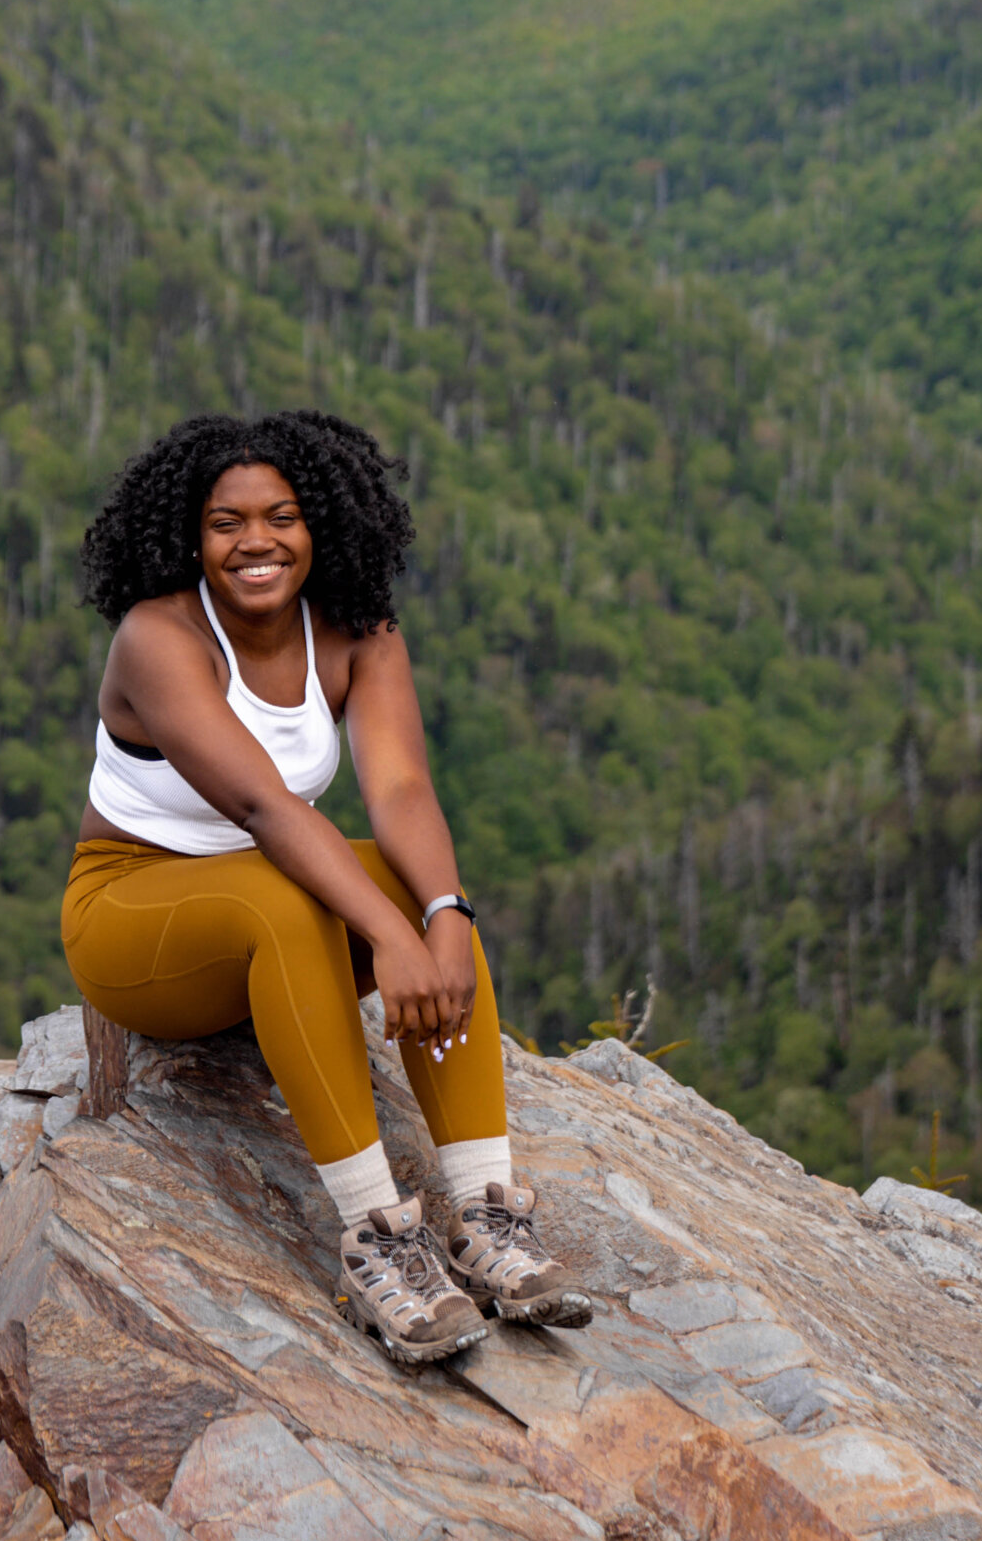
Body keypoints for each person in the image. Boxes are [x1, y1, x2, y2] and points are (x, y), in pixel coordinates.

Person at [62, 409, 590, 1367]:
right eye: (227, 523)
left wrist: (441, 920)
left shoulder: (355, 626)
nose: (256, 541)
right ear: (190, 535)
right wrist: (386, 939)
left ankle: (486, 1216)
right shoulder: (158, 636)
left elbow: (399, 789)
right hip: (134, 919)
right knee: (296, 900)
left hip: (267, 890)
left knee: (418, 889)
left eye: (283, 516)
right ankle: (378, 1244)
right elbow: (265, 807)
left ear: (324, 525)